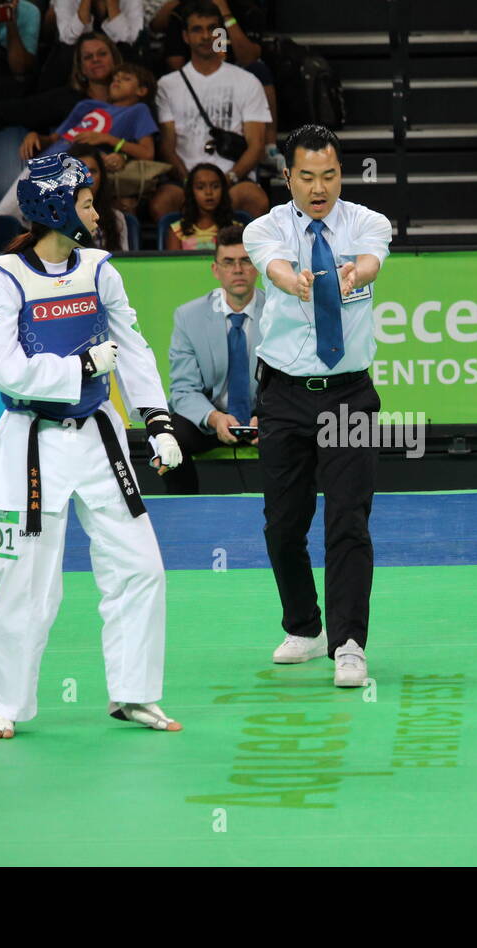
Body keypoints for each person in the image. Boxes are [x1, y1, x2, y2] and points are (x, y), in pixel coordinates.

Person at [0, 152, 183, 739]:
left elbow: (133, 346)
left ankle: (135, 695)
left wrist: (158, 420)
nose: (95, 209)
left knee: (141, 568)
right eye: (86, 200)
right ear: (55, 208)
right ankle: (6, 704)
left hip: (98, 440)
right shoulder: (2, 282)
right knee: (26, 583)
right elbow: (5, 370)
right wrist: (82, 364)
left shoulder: (99, 270)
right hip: (33, 446)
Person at [241, 124, 392, 688]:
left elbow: (373, 260)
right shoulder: (266, 228)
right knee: (283, 523)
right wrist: (294, 282)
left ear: (340, 174)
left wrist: (357, 271)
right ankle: (303, 626)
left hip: (349, 394)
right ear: (288, 178)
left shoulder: (367, 223)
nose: (318, 187)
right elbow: (274, 267)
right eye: (306, 176)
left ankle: (348, 642)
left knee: (348, 518)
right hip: (282, 396)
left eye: (329, 175)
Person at [165, 223, 264, 494]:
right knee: (169, 434)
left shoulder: (279, 314)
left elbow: (289, 381)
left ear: (257, 266)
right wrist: (214, 418)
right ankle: (183, 511)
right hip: (211, 420)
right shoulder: (188, 317)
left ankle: (296, 513)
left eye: (246, 261)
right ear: (215, 269)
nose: (238, 269)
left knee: (298, 426)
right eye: (228, 262)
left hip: (264, 419)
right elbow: (183, 390)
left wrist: (267, 417)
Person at [151, 0, 271, 221]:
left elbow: (256, 145)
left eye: (212, 29)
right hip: (185, 180)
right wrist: (190, 184)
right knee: (163, 202)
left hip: (233, 179)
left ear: (221, 33)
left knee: (256, 199)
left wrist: (230, 178)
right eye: (197, 29)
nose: (206, 36)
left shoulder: (247, 81)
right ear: (185, 36)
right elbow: (167, 146)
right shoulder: (167, 85)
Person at [0, 62, 157, 220]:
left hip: (72, 169)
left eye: (126, 78)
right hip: (44, 162)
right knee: (7, 217)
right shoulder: (87, 105)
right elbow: (54, 139)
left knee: (27, 216)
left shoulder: (138, 110)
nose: (117, 80)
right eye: (115, 77)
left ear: (141, 90)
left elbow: (147, 152)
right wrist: (34, 135)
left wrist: (107, 139)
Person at [38, 0, 144, 92]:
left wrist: (112, 5)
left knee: (132, 54)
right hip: (73, 60)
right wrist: (85, 3)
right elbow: (68, 37)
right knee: (69, 51)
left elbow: (130, 40)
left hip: (119, 59)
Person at [68, 141, 129, 251]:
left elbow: (122, 264)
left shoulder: (117, 219)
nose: (87, 179)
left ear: (102, 176)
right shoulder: (53, 217)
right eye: (79, 172)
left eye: (92, 171)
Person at [163, 162, 234, 250]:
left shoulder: (234, 230)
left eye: (215, 186)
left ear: (223, 190)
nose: (209, 193)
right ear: (191, 192)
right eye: (200, 187)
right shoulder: (177, 231)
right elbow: (173, 263)